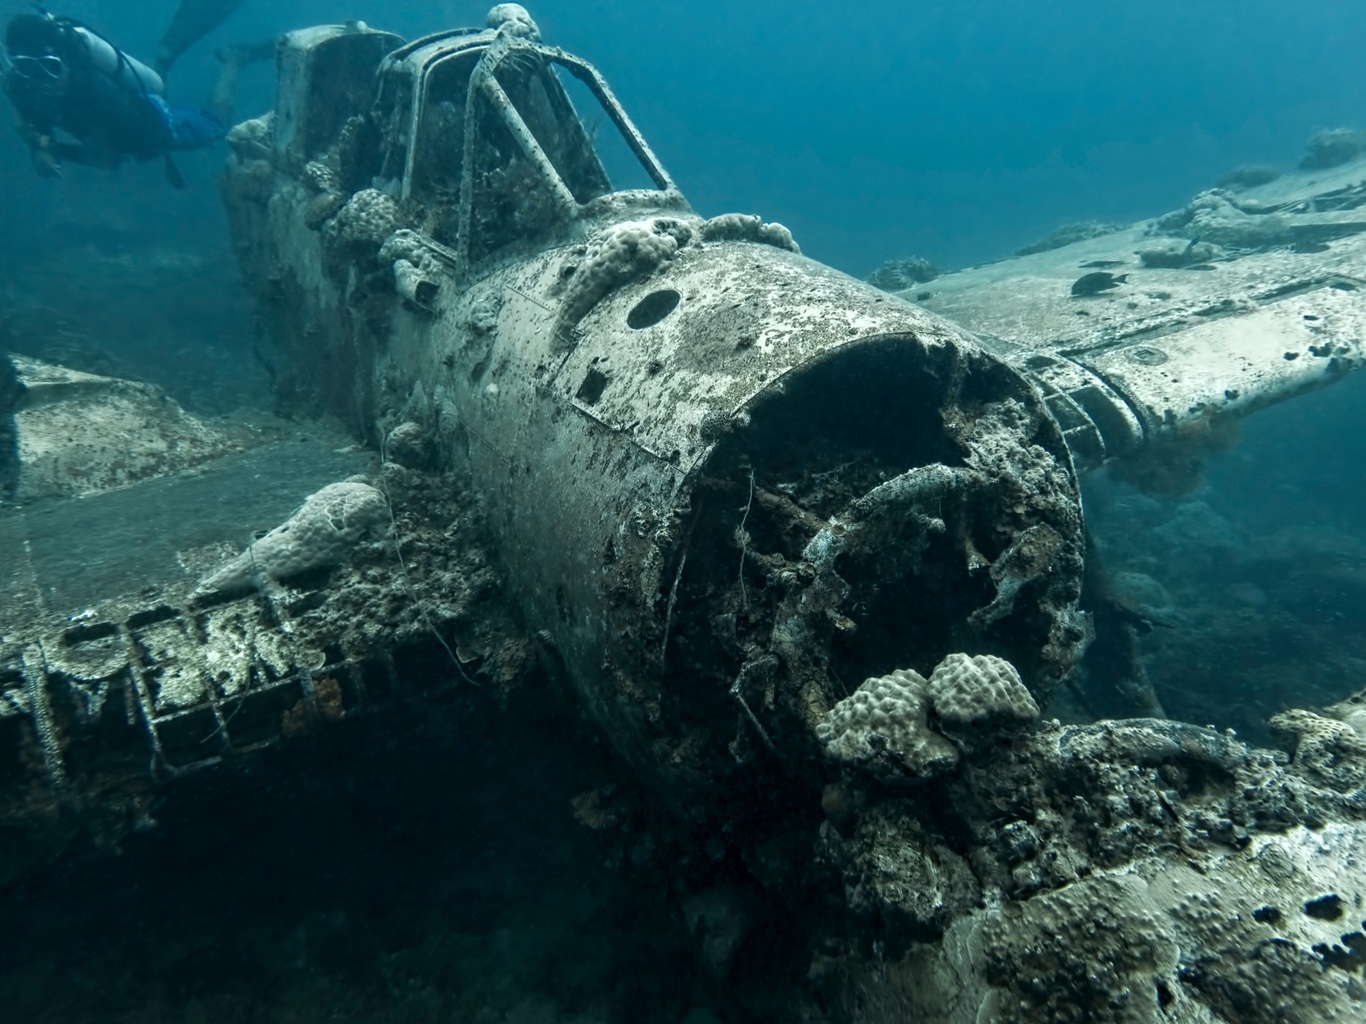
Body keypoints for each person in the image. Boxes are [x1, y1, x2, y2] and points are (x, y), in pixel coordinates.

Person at [2, 9, 258, 186]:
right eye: (27, 68)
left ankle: (234, 60)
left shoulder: (98, 92)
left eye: (51, 67)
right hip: (127, 125)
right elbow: (39, 136)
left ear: (66, 62)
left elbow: (108, 159)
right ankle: (165, 57)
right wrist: (40, 150)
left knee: (219, 127)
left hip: (158, 127)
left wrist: (52, 149)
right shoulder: (24, 88)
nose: (42, 81)